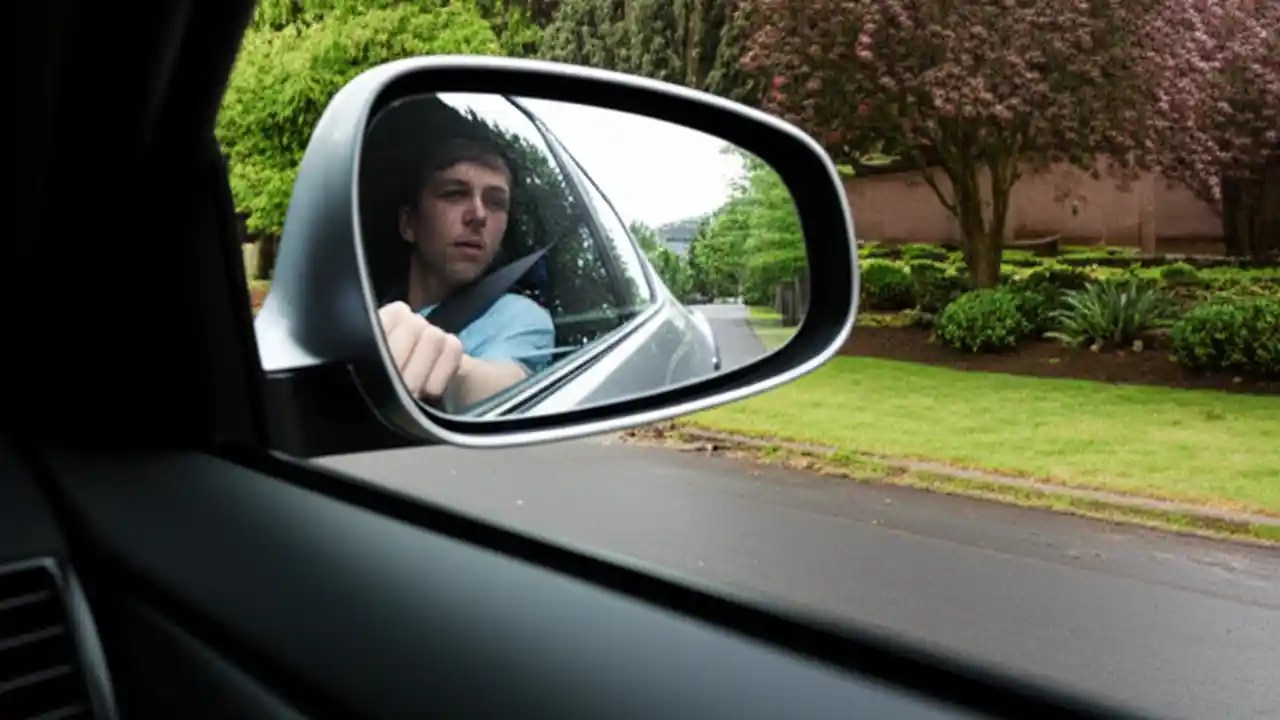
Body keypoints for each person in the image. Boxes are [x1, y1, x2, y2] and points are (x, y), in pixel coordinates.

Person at [376, 135, 555, 411]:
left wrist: (450, 373)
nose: (479, 215)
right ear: (409, 223)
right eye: (454, 194)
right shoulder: (371, 309)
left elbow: (508, 385)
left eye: (496, 202)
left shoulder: (521, 317)